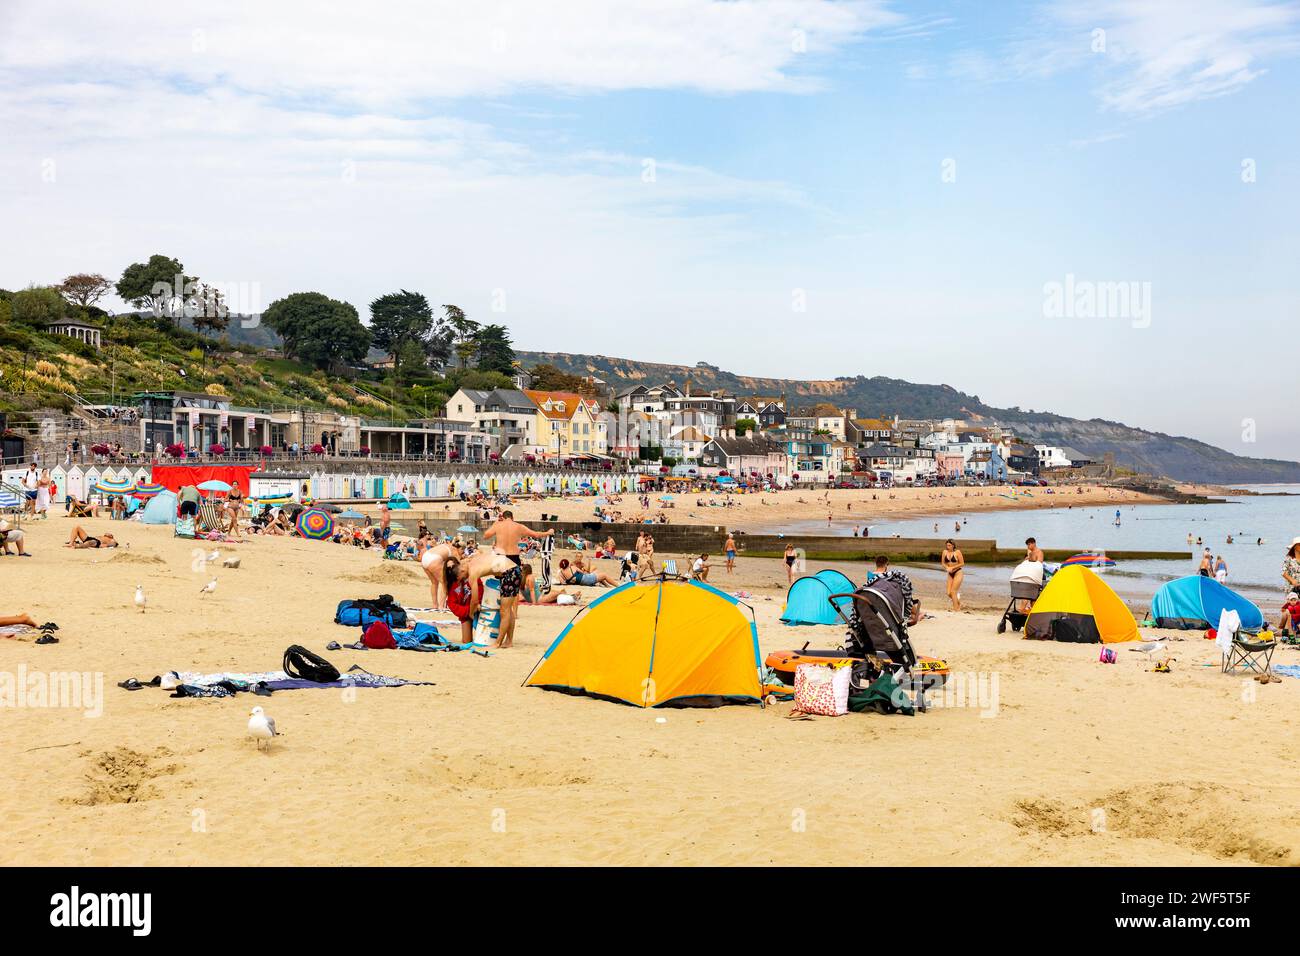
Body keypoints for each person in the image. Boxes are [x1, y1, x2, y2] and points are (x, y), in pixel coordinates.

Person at [476, 510, 555, 649]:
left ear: (503, 517)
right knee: (508, 608)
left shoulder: (498, 524)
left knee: (504, 609)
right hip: (514, 563)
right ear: (512, 518)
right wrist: (548, 532)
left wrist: (495, 525)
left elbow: (486, 535)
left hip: (502, 563)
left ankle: (498, 642)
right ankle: (509, 641)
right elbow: (536, 535)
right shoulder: (518, 526)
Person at [869, 555, 921, 626]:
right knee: (906, 597)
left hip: (876, 600)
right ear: (886, 565)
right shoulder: (888, 576)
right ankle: (918, 614)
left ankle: (917, 614)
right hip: (888, 602)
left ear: (876, 564)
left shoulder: (870, 576)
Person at [443, 557, 476, 644]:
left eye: (453, 566)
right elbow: (452, 605)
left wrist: (475, 606)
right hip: (466, 614)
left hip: (478, 608)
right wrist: (469, 611)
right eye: (449, 568)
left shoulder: (470, 575)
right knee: (466, 641)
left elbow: (479, 590)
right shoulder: (451, 586)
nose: (451, 569)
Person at [941, 539, 964, 611]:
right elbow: (943, 563)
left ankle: (956, 609)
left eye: (949, 545)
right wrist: (947, 567)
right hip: (950, 573)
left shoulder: (957, 552)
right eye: (947, 545)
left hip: (958, 572)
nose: (948, 547)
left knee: (953, 592)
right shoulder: (944, 552)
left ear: (953, 545)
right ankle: (958, 602)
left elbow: (962, 563)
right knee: (948, 593)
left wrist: (952, 567)